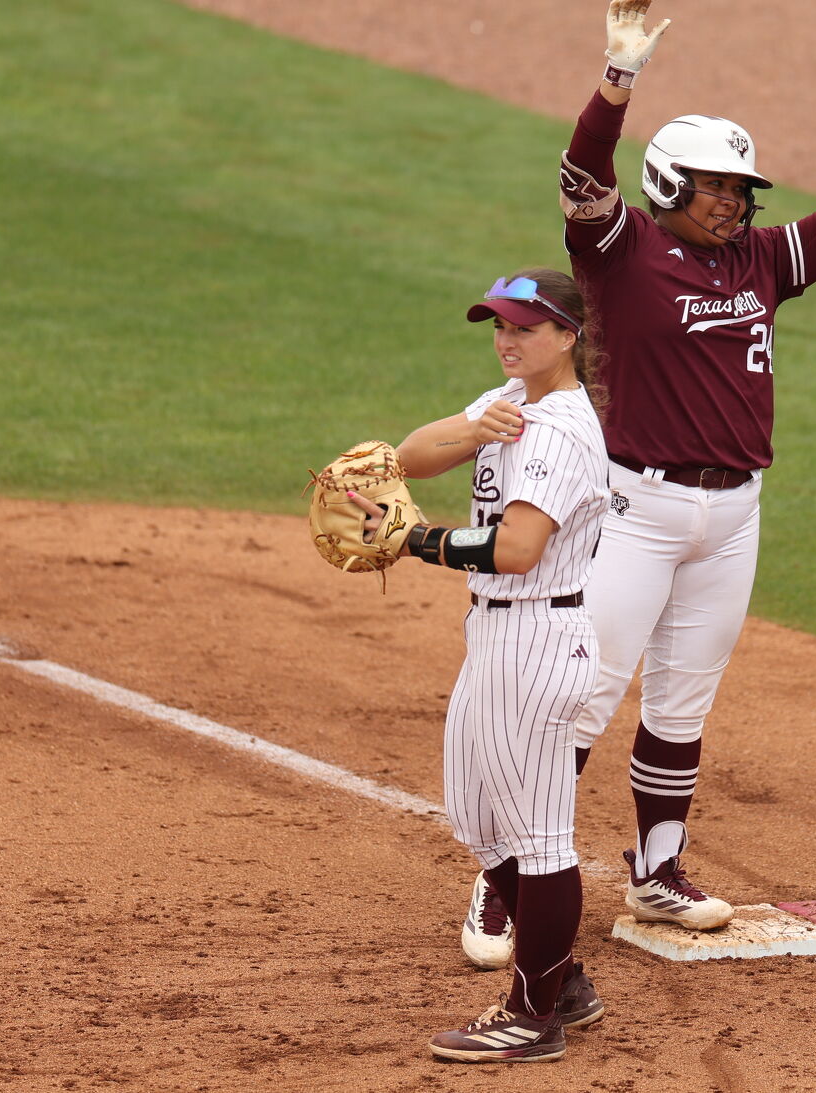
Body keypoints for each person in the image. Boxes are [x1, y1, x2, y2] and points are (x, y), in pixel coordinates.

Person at [460, 0, 816, 966]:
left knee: (680, 705)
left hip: (732, 513)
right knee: (579, 697)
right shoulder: (622, 254)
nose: (734, 201)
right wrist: (615, 81)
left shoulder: (762, 260)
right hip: (633, 509)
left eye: (740, 187)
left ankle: (656, 871)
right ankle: (504, 881)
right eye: (714, 186)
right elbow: (580, 174)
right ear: (669, 184)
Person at [357, 268, 610, 1062]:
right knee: (473, 814)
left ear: (568, 336)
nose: (506, 339)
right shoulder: (511, 406)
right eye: (498, 325)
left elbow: (518, 548)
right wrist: (479, 430)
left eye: (525, 328)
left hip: (537, 638)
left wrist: (415, 541)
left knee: (539, 838)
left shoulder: (562, 427)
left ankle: (534, 1013)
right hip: (495, 638)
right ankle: (561, 976)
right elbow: (409, 455)